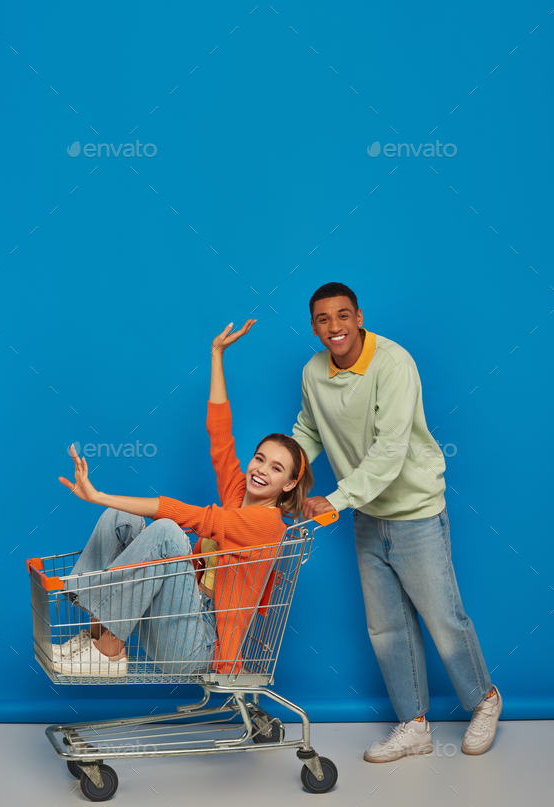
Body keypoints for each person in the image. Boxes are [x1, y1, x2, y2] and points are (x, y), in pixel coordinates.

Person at [292, 282, 502, 759]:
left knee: (444, 620)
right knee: (386, 627)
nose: (334, 327)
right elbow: (307, 429)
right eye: (323, 320)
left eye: (342, 316)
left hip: (415, 513)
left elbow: (391, 449)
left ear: (359, 316)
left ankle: (485, 700)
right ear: (314, 327)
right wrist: (282, 471)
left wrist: (337, 498)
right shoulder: (312, 371)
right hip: (366, 514)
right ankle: (414, 725)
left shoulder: (393, 363)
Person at [53, 319, 314, 678]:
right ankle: (97, 632)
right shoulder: (238, 494)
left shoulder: (268, 524)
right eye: (260, 458)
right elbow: (220, 436)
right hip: (171, 613)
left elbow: (191, 517)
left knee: (168, 532)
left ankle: (108, 652)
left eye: (276, 468)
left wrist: (98, 495)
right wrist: (216, 354)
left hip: (201, 643)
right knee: (120, 519)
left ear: (288, 484)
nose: (262, 470)